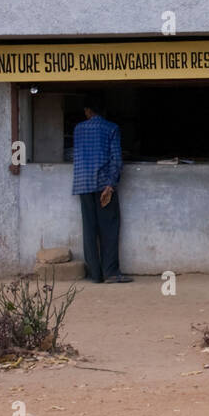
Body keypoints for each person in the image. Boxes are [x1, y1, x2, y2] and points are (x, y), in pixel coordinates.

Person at [72, 97, 131, 284]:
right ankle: (111, 272)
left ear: (88, 110)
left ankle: (95, 274)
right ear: (103, 110)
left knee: (89, 229)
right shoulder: (111, 128)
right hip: (104, 184)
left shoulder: (78, 129)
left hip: (83, 183)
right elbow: (116, 159)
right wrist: (111, 184)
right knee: (109, 228)